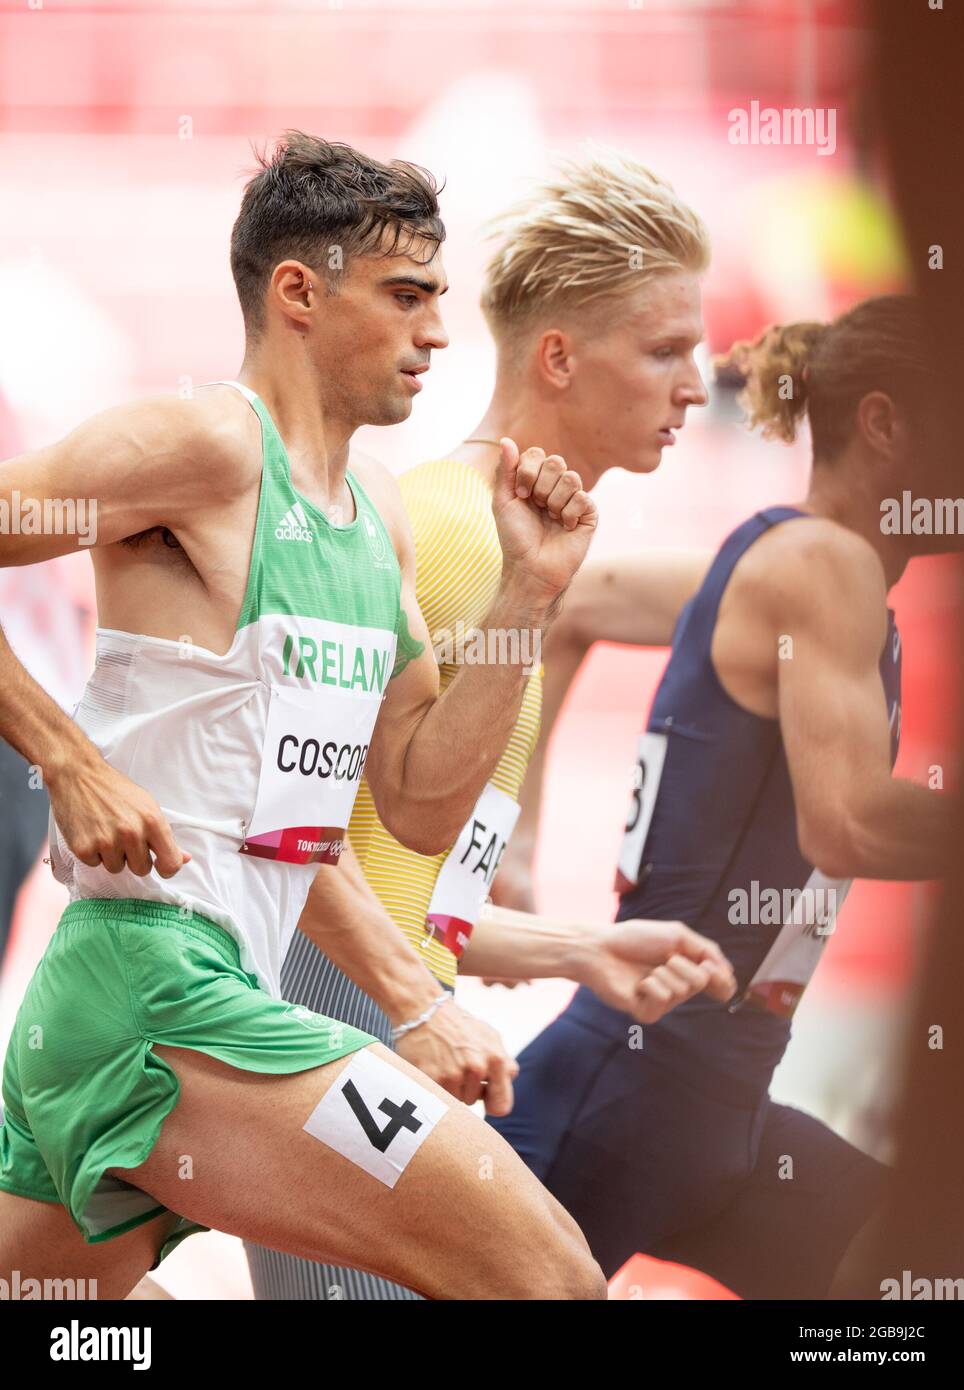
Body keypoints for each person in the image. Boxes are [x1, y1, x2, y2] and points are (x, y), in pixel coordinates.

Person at [0, 132, 609, 1301]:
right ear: (298, 292)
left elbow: (419, 806)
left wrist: (530, 591)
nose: (438, 333)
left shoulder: (373, 516)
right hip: (149, 987)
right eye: (406, 297)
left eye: (440, 299)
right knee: (549, 1278)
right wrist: (67, 761)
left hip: (200, 988)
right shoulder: (204, 446)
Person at [246, 148, 736, 1300]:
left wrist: (576, 951)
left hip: (381, 1008)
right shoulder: (446, 533)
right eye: (667, 349)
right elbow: (296, 845)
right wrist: (398, 1013)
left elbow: (406, 879)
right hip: (329, 1016)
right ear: (559, 356)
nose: (694, 384)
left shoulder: (507, 547)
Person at [489, 295, 960, 1298]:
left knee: (923, 1277)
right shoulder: (820, 565)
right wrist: (504, 828)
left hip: (713, 1105)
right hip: (634, 1092)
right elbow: (849, 817)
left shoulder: (781, 569)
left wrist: (517, 831)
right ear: (883, 424)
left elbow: (574, 600)